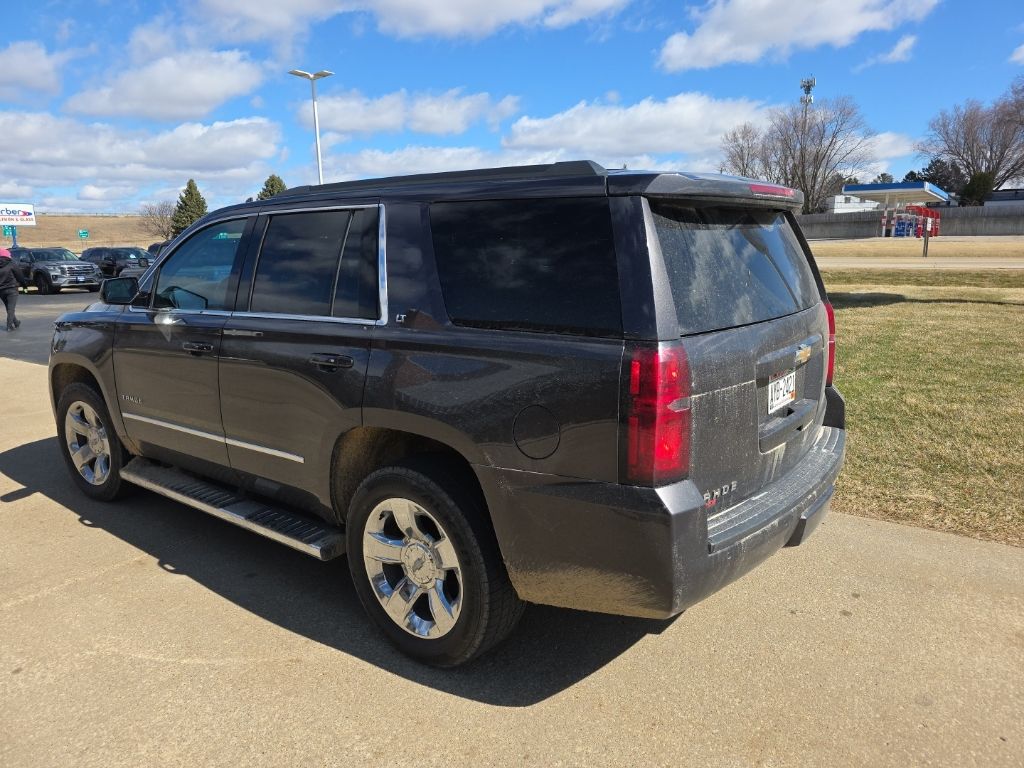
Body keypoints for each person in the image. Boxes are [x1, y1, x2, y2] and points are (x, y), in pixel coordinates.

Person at [0, 247, 26, 331]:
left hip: (1, 290)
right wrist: (24, 286)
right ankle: (9, 325)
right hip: (12, 289)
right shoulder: (11, 264)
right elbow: (19, 275)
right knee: (11, 308)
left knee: (9, 307)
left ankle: (16, 322)